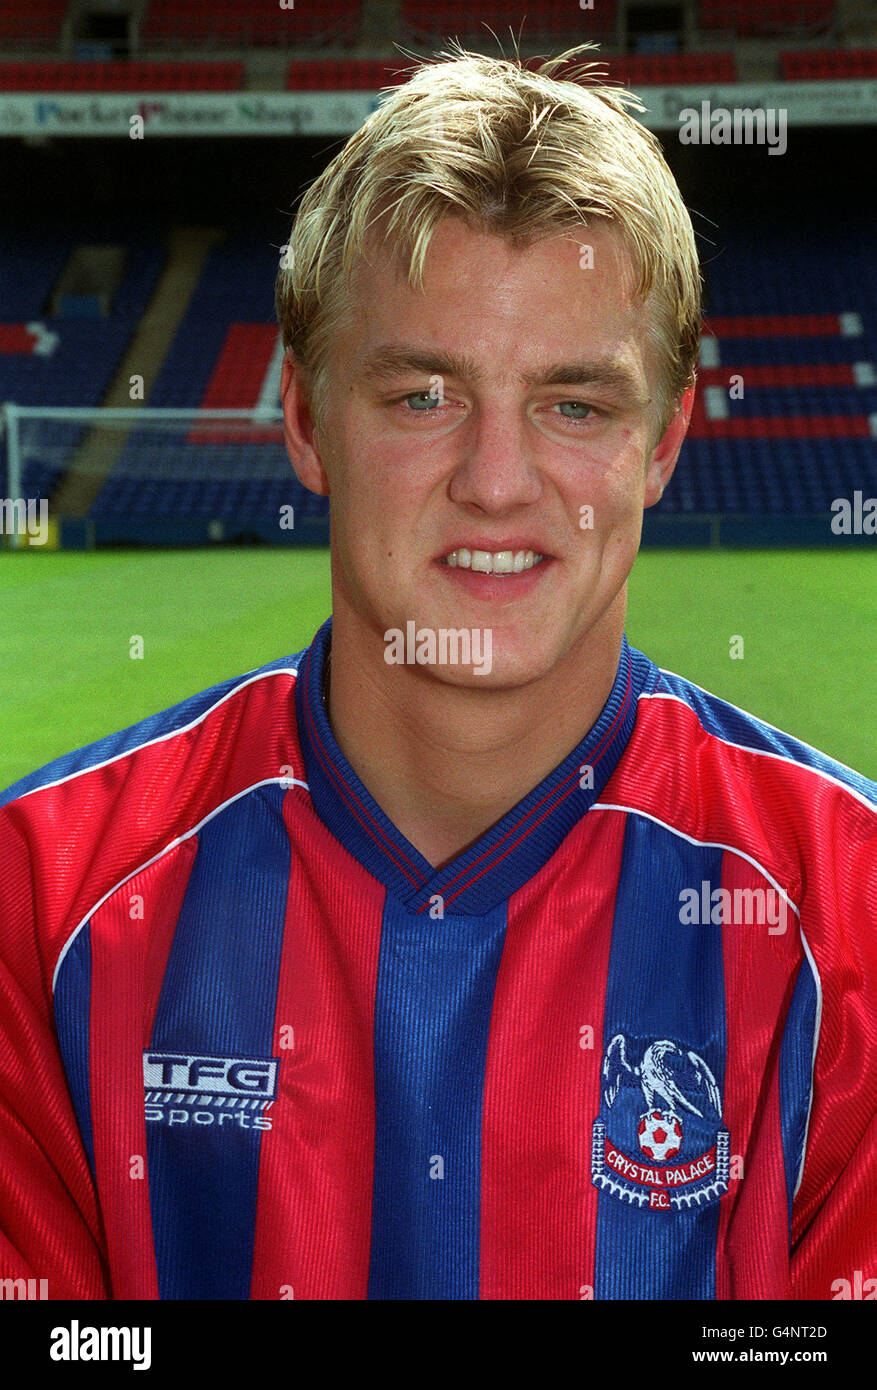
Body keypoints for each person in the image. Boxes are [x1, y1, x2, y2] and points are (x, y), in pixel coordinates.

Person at [0, 44, 873, 1302]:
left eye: (575, 405)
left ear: (665, 442)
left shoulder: (848, 922)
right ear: (304, 419)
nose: (499, 481)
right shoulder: (43, 906)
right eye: (422, 396)